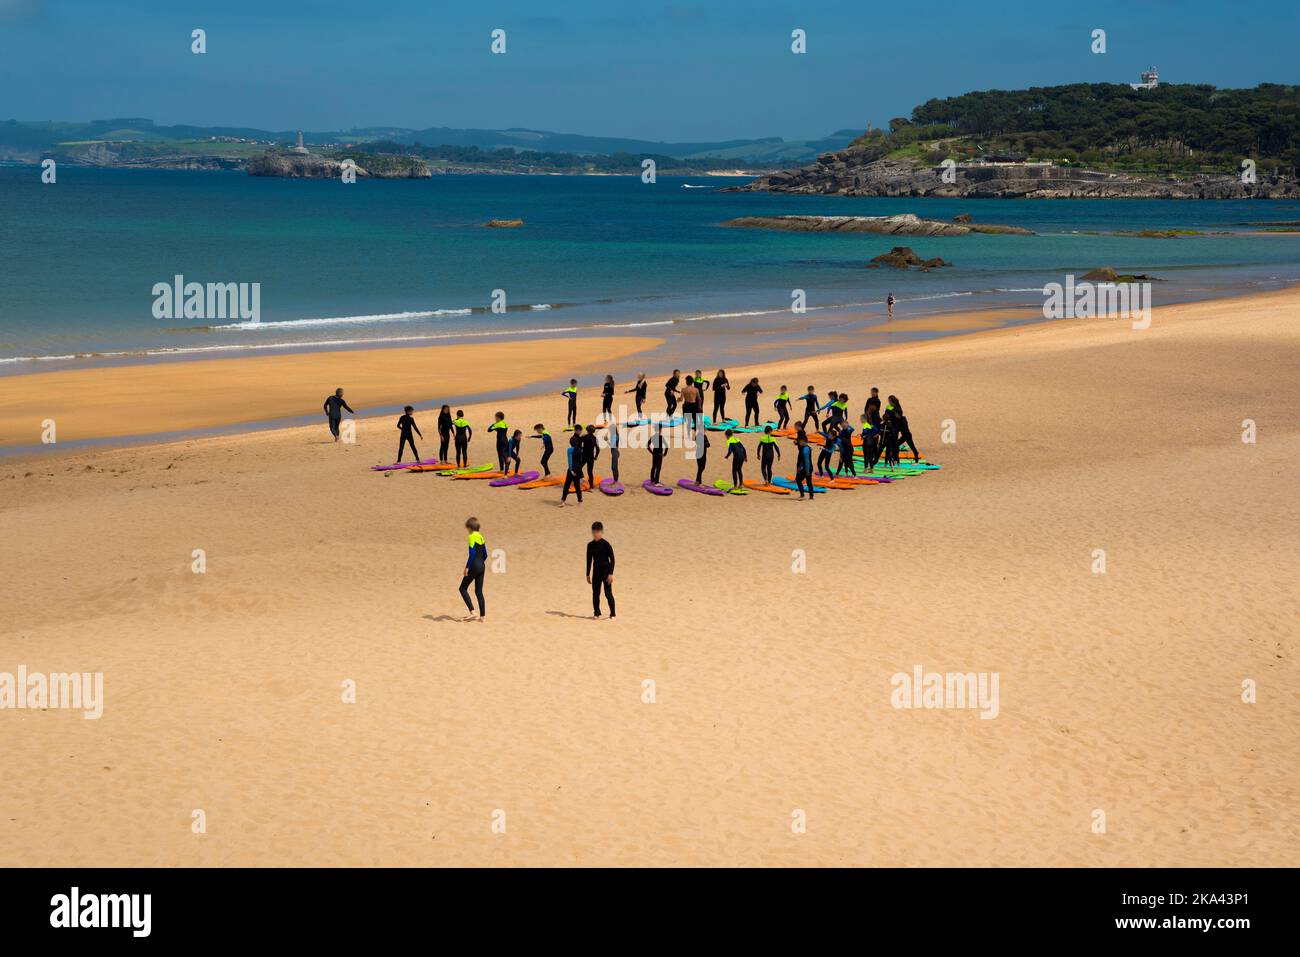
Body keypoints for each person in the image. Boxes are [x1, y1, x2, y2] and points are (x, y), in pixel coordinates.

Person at [586, 522, 616, 620]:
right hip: (596, 572)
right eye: (594, 532)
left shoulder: (606, 544)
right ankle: (597, 613)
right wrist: (587, 574)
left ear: (602, 532)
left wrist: (611, 574)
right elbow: (589, 560)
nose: (595, 534)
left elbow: (612, 559)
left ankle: (613, 614)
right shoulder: (590, 545)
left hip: (606, 572)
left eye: (597, 532)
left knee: (608, 593)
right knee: (595, 593)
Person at [459, 517, 487, 621]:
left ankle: (473, 612)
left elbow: (472, 553)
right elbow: (485, 554)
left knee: (462, 588)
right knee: (479, 591)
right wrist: (480, 563)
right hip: (482, 566)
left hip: (474, 565)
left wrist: (467, 567)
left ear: (470, 528)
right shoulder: (481, 537)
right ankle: (483, 617)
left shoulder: (471, 537)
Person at [890, 395, 921, 463]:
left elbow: (901, 428)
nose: (895, 415)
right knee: (910, 446)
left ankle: (916, 458)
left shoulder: (901, 421)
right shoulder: (903, 418)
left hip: (906, 435)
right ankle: (894, 457)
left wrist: (895, 429)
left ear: (898, 414)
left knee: (911, 447)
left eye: (895, 414)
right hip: (905, 435)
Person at [561, 433, 584, 504]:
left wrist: (571, 470)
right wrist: (581, 474)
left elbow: (570, 461)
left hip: (572, 469)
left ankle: (563, 501)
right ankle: (580, 500)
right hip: (578, 469)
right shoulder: (580, 450)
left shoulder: (569, 450)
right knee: (577, 486)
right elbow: (580, 461)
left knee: (566, 485)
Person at [794, 431, 815, 500]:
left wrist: (807, 470)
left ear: (803, 441)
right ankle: (811, 496)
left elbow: (806, 461)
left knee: (798, 479)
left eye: (799, 441)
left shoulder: (805, 449)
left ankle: (802, 495)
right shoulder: (806, 447)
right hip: (806, 467)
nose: (799, 443)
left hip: (806, 467)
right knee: (808, 482)